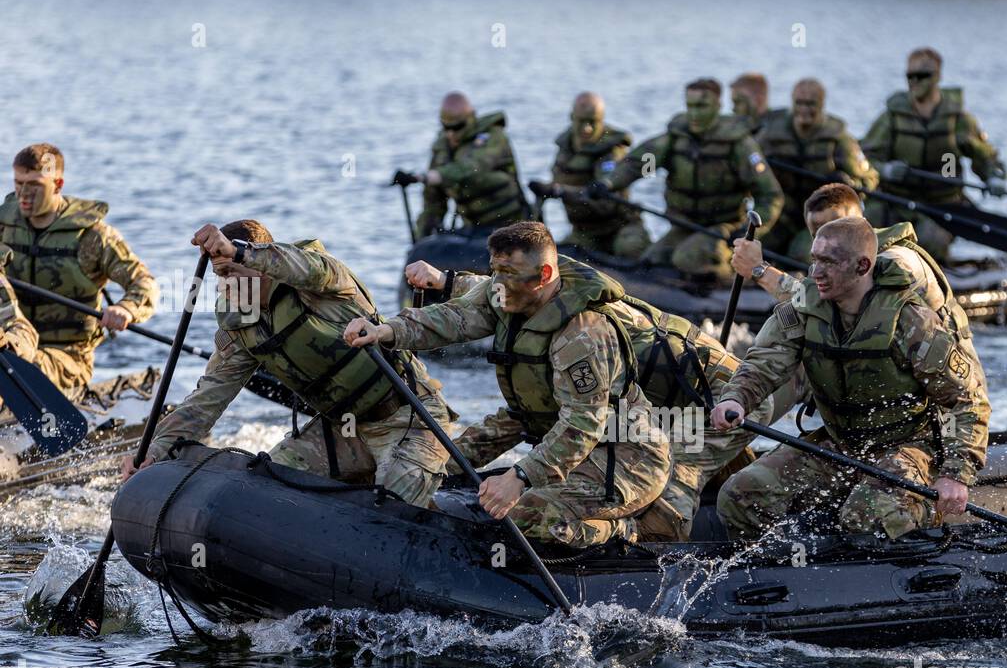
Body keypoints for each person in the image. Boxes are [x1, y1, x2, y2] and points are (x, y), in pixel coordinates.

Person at [403, 251, 796, 542]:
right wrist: (448, 282)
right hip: (657, 406)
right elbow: (504, 294)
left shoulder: (590, 329)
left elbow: (580, 423)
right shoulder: (550, 311)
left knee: (671, 489)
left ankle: (654, 546)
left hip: (722, 399)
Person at [345, 221, 672, 547]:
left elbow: (582, 426)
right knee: (432, 463)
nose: (498, 283)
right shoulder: (508, 296)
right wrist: (386, 330)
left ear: (544, 275)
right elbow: (455, 317)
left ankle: (624, 530)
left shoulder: (582, 334)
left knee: (528, 517)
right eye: (495, 270)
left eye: (509, 273)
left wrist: (520, 476)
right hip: (536, 423)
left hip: (625, 456)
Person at [123, 221, 452, 508]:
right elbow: (208, 398)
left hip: (409, 420)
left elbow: (302, 266)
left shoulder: (322, 284)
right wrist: (156, 449)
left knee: (391, 512)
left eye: (231, 272)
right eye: (219, 276)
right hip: (342, 430)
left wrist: (238, 252)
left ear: (262, 263)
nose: (226, 286)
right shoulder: (242, 325)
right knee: (266, 489)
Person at [710, 217, 990, 540]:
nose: (816, 272)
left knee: (865, 515)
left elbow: (968, 399)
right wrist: (736, 397)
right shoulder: (805, 307)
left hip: (907, 447)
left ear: (862, 266)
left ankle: (922, 512)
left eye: (828, 263)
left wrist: (956, 474)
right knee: (738, 497)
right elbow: (765, 361)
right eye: (814, 260)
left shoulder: (910, 322)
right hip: (839, 445)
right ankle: (780, 572)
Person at [0, 143, 157, 391]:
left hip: (68, 358)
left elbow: (144, 283)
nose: (24, 194)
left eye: (35, 185)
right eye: (19, 183)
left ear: (58, 185)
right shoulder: (4, 226)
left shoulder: (93, 237)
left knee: (15, 370)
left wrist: (126, 309)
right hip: (9, 343)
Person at [594, 78, 783, 282]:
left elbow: (770, 195)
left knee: (686, 259)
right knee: (653, 259)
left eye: (701, 106)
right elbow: (640, 163)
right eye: (690, 106)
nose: (694, 114)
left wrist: (747, 232)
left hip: (722, 228)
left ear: (718, 106)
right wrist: (608, 183)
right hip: (683, 225)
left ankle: (736, 278)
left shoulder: (739, 145)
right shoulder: (675, 138)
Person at [859, 48, 1007, 262]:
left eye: (923, 76)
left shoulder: (958, 119)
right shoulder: (891, 117)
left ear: (938, 76)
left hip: (941, 206)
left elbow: (985, 157)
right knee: (865, 235)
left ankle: (933, 284)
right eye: (910, 76)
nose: (915, 82)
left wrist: (994, 177)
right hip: (895, 202)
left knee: (930, 243)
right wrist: (885, 169)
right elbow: (864, 158)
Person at [732, 182, 950, 311]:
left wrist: (760, 270)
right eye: (818, 235)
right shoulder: (831, 267)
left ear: (861, 223)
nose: (826, 242)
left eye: (834, 229)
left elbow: (831, 308)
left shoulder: (895, 261)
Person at [757, 79, 878, 263]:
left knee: (802, 254)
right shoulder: (770, 135)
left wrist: (849, 184)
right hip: (783, 215)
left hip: (818, 220)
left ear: (821, 104)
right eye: (799, 103)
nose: (804, 109)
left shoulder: (838, 138)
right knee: (754, 245)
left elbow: (870, 179)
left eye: (811, 104)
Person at [531, 92, 650, 259]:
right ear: (572, 117)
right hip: (585, 232)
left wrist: (560, 191)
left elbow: (605, 202)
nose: (587, 128)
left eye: (593, 122)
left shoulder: (612, 150)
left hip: (620, 228)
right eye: (582, 121)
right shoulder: (565, 148)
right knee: (561, 257)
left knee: (630, 249)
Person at [409, 92, 531, 238]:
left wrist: (430, 176)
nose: (451, 134)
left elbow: (472, 167)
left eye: (458, 127)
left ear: (471, 118)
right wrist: (422, 239)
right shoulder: (442, 149)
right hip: (474, 230)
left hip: (512, 225)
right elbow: (432, 203)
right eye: (446, 127)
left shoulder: (493, 137)